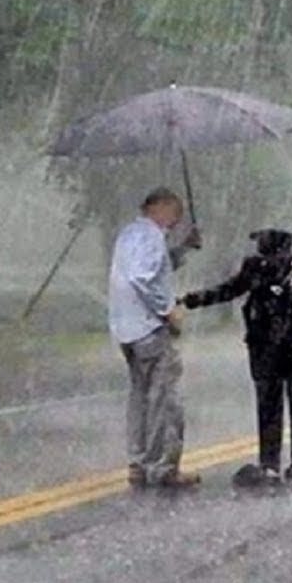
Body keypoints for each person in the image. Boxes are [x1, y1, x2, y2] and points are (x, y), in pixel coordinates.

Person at [178, 228, 292, 485]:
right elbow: (230, 289)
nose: (260, 248)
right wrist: (193, 300)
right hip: (264, 348)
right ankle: (270, 463)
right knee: (269, 407)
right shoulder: (255, 268)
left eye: (263, 243)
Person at [108, 187, 202, 490]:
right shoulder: (151, 235)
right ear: (159, 206)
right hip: (149, 328)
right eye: (176, 213)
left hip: (126, 329)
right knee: (165, 400)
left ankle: (137, 463)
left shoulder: (129, 234)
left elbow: (154, 268)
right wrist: (167, 310)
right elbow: (141, 276)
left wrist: (182, 249)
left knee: (140, 398)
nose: (176, 221)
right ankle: (162, 467)